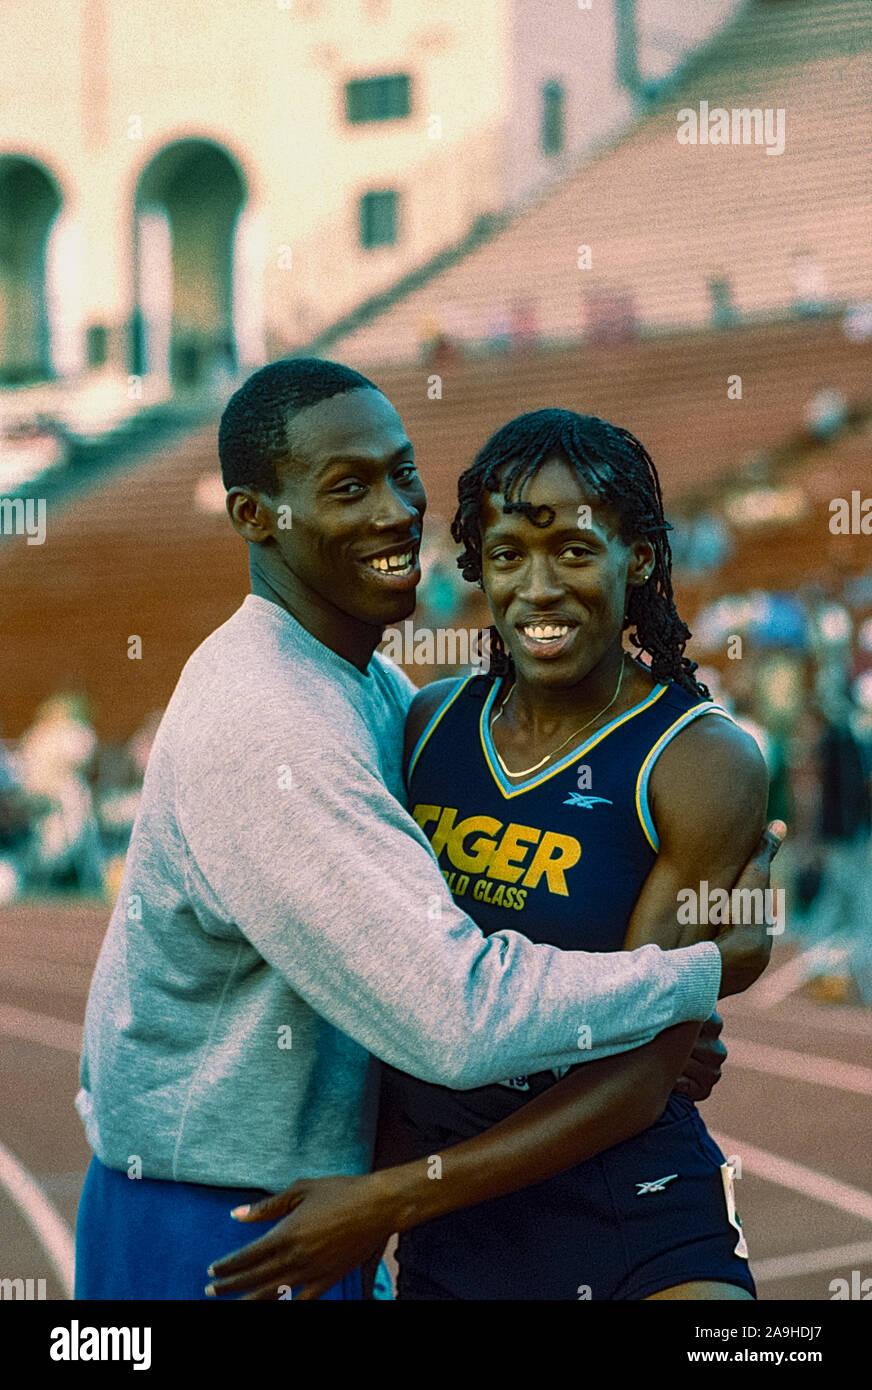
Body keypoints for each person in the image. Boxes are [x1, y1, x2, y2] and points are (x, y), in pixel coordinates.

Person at [74, 363, 778, 1301]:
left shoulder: (375, 692)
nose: (394, 511)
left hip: (498, 1204)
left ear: (637, 557)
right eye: (347, 487)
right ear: (255, 516)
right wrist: (695, 978)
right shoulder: (296, 719)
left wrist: (656, 1028)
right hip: (238, 1217)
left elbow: (635, 1064)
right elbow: (453, 1016)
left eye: (403, 475)